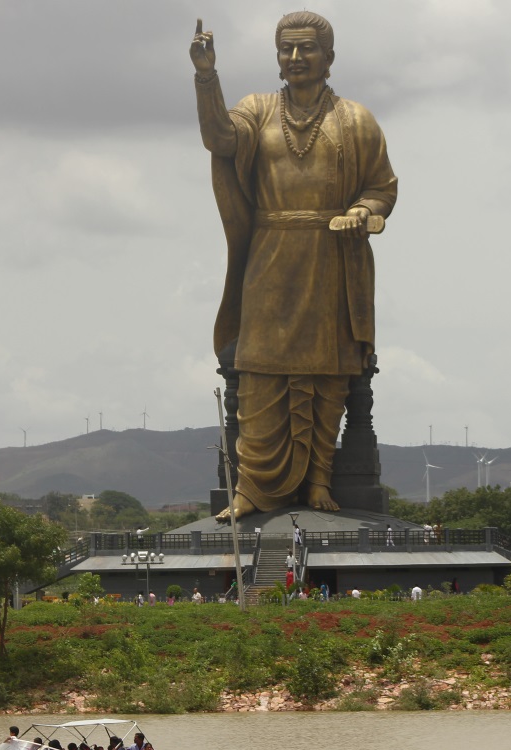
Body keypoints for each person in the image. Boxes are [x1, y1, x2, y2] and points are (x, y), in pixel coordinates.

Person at [191, 12, 398, 522]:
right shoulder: (258, 110)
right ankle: (252, 486)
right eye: (287, 49)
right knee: (258, 368)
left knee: (328, 370)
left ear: (329, 57)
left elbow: (382, 187)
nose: (297, 58)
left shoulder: (356, 120)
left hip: (332, 255)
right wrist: (206, 77)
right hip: (270, 252)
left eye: (307, 49)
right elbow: (220, 139)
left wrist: (362, 211)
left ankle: (318, 478)